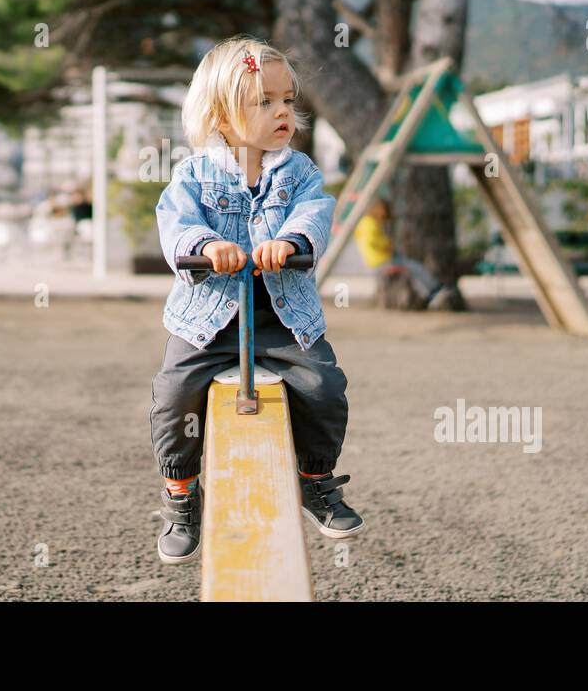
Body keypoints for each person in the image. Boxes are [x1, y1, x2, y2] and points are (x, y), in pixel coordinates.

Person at [150, 35, 364, 565]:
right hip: (208, 320)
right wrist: (206, 245)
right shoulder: (194, 174)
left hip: (281, 317)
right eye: (264, 102)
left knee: (322, 385)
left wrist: (289, 243)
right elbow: (175, 221)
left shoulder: (300, 173)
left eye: (287, 100)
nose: (282, 112)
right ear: (221, 116)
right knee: (176, 393)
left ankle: (316, 481)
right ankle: (182, 492)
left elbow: (314, 213)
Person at [354, 197, 456, 310]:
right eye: (383, 210)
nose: (384, 215)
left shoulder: (365, 223)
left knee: (411, 266)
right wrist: (387, 244)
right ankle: (433, 290)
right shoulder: (369, 223)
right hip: (381, 260)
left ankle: (430, 291)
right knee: (414, 267)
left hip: (377, 260)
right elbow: (371, 240)